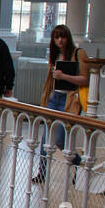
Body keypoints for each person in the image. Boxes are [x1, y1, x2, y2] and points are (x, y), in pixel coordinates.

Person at [34, 23, 89, 183]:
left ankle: (80, 164)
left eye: (62, 37)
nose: (60, 40)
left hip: (69, 100)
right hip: (54, 98)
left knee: (60, 140)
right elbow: (51, 79)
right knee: (45, 139)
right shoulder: (54, 55)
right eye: (56, 37)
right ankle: (42, 173)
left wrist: (64, 76)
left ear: (68, 37)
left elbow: (85, 78)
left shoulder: (78, 53)